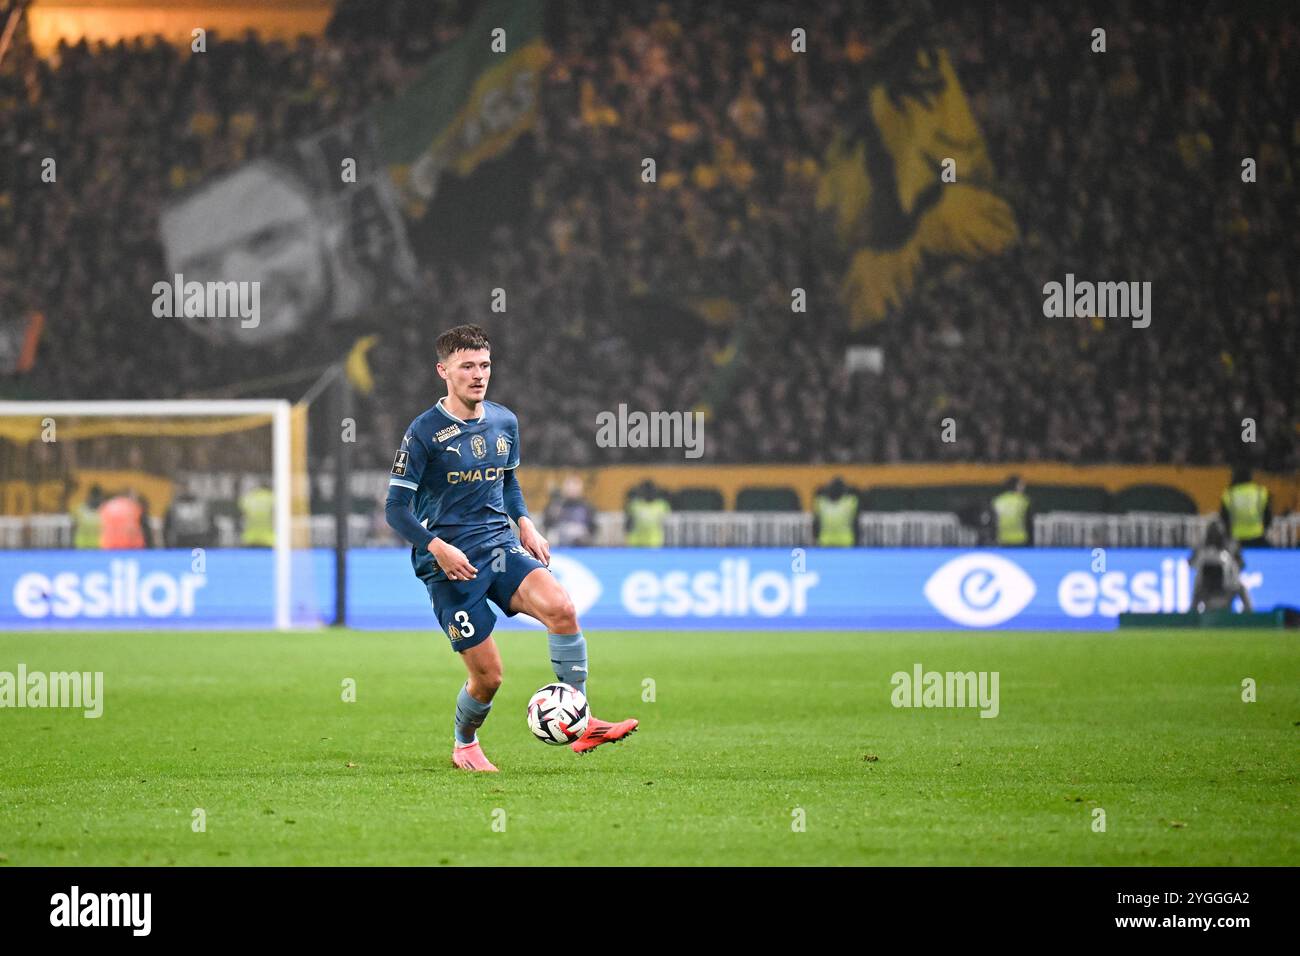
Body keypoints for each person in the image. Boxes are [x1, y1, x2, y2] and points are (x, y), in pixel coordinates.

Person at [384, 324, 637, 772]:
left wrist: (525, 522)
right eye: (467, 366)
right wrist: (437, 547)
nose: (478, 375)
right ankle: (465, 743)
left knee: (561, 608)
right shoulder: (423, 433)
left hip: (498, 546)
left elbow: (507, 479)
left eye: (484, 365)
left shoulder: (504, 420)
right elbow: (396, 509)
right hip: (450, 566)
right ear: (443, 371)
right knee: (489, 678)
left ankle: (584, 719)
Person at [1189, 520, 1253, 613]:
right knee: (1197, 588)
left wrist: (1233, 565)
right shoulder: (1201, 550)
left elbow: (1241, 565)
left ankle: (1249, 616)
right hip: (1206, 590)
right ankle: (1192, 616)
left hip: (1226, 588)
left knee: (1241, 587)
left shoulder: (1229, 549)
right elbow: (1191, 564)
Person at [1219, 465, 1271, 548]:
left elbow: (1223, 518)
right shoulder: (1260, 492)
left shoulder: (1229, 494)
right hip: (1258, 537)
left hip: (1236, 539)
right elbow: (1268, 516)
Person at [543, 474, 596, 547]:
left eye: (575, 487)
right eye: (570, 487)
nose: (572, 490)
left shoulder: (586, 506)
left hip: (581, 540)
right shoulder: (556, 505)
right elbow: (547, 524)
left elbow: (593, 527)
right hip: (560, 539)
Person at [812, 476, 859, 547]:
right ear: (844, 490)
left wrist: (815, 538)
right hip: (846, 541)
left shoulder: (820, 502)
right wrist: (857, 540)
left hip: (825, 541)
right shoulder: (851, 502)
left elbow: (816, 523)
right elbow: (855, 523)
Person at [624, 479, 671, 547]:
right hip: (636, 541)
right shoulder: (634, 505)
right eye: (645, 491)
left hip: (654, 541)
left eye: (650, 491)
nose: (648, 493)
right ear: (640, 492)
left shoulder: (662, 505)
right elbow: (628, 523)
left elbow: (667, 524)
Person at [991, 475, 1032, 547]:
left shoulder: (997, 500)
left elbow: (993, 521)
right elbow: (1028, 521)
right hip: (1020, 539)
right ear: (1016, 486)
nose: (1024, 487)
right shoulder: (1024, 500)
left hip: (1002, 539)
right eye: (1021, 484)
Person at [239, 483, 275, 547]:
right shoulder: (272, 497)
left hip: (249, 537)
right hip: (269, 538)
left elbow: (243, 514)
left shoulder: (248, 497)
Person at [73, 484, 104, 549]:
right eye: (94, 497)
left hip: (98, 546)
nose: (95, 499)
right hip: (82, 546)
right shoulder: (80, 509)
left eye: (97, 497)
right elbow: (74, 526)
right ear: (89, 496)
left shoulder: (105, 510)